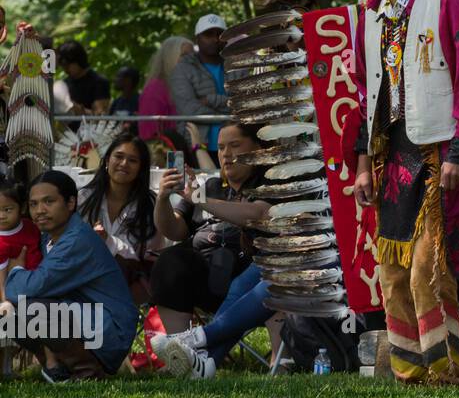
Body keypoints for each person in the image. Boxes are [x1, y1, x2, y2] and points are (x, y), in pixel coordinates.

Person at [352, 0, 459, 386]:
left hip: (437, 153)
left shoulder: (444, 3)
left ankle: (445, 369)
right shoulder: (370, 15)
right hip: (392, 156)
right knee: (390, 271)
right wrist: (363, 164)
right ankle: (410, 371)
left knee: (427, 270)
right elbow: (363, 95)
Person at [0, 170, 136, 380]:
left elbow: (27, 288)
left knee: (31, 308)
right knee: (9, 313)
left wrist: (16, 270)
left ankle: (87, 372)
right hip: (85, 317)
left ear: (71, 203)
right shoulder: (47, 236)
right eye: (34, 204)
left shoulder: (77, 239)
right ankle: (54, 367)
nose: (40, 210)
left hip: (111, 330)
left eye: (49, 201)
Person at [150, 122, 270, 334]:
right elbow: (174, 230)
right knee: (170, 260)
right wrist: (162, 199)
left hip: (246, 283)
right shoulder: (211, 187)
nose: (226, 154)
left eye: (235, 145)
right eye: (221, 147)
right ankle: (181, 348)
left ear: (257, 148)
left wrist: (199, 199)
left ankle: (196, 347)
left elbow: (258, 214)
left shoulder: (268, 185)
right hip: (202, 278)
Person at [78, 133, 165, 304]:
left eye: (133, 160)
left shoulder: (150, 203)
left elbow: (150, 256)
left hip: (129, 282)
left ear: (141, 168)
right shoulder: (84, 197)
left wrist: (108, 242)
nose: (124, 164)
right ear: (107, 160)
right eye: (119, 156)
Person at [169, 15, 228, 159]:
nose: (215, 39)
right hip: (197, 145)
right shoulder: (183, 68)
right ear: (197, 39)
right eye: (208, 34)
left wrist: (211, 99)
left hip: (233, 144)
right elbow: (190, 109)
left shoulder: (237, 66)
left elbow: (244, 104)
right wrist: (227, 117)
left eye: (220, 34)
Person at [138, 35, 192, 146]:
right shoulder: (155, 89)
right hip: (166, 156)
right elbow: (149, 135)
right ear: (170, 58)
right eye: (185, 55)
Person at [56, 41, 112, 116]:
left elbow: (99, 117)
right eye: (63, 66)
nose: (65, 69)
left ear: (79, 60)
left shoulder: (99, 82)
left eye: (67, 65)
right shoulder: (64, 84)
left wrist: (70, 105)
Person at [0, 179, 42, 273]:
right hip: (19, 284)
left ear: (22, 208)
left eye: (7, 210)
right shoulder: (1, 242)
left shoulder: (30, 225)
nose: (1, 216)